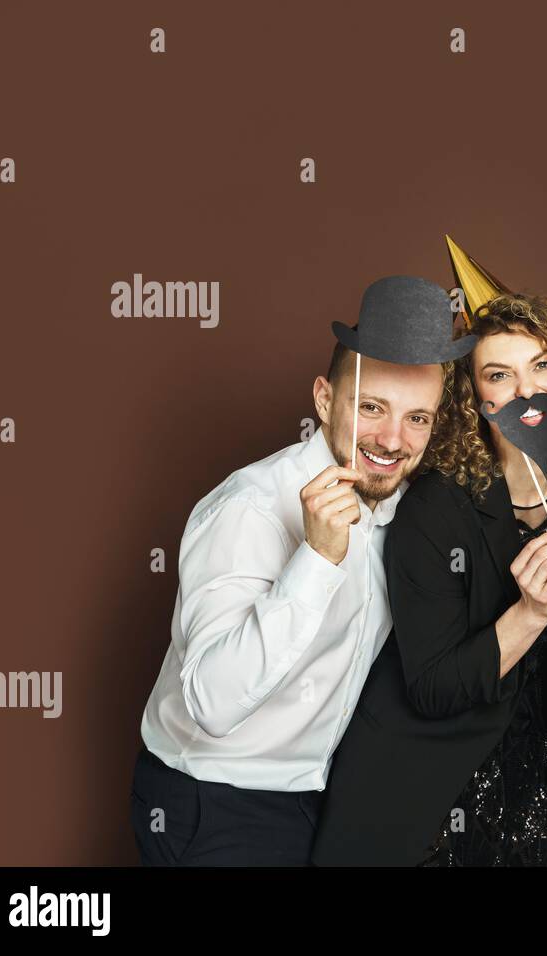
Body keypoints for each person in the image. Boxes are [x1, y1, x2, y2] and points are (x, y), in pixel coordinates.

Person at [130, 275, 469, 865]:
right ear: (322, 399)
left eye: (418, 417)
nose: (393, 439)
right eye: (372, 408)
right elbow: (211, 702)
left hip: (314, 801)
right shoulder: (251, 508)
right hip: (215, 801)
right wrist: (314, 560)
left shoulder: (405, 512)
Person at [310, 292, 547, 866]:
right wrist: (526, 617)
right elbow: (433, 688)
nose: (526, 391)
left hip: (540, 793)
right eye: (500, 375)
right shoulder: (437, 509)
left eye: (543, 365)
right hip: (428, 795)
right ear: (474, 398)